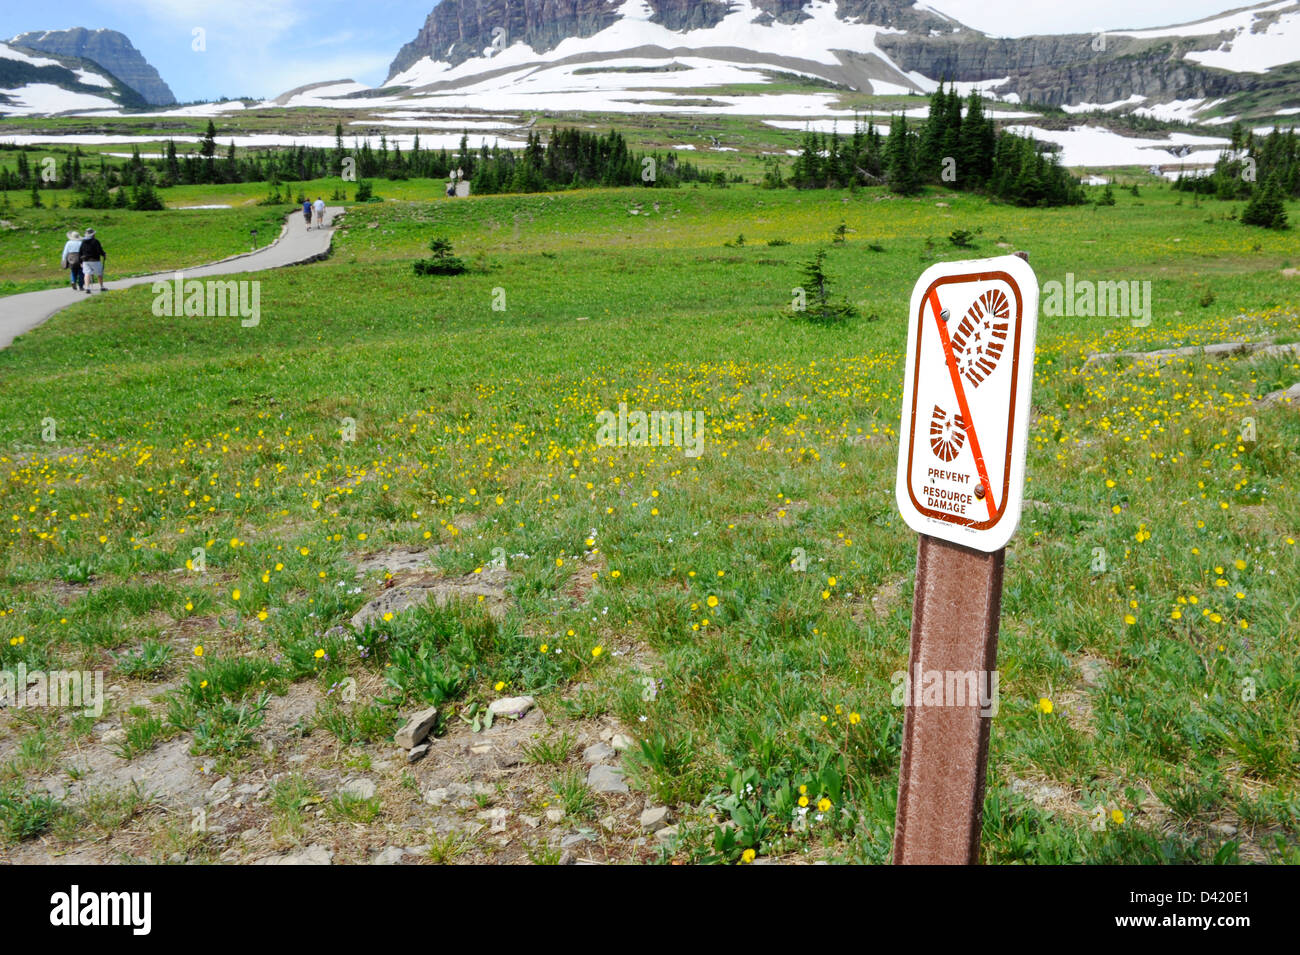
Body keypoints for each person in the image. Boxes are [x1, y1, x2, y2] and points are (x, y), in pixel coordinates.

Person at [78, 227, 106, 294]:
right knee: (99, 273)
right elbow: (99, 250)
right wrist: (104, 254)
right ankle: (101, 286)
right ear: (93, 235)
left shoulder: (83, 242)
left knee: (87, 273)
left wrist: (80, 261)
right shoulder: (95, 241)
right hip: (95, 260)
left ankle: (87, 288)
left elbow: (80, 252)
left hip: (85, 260)